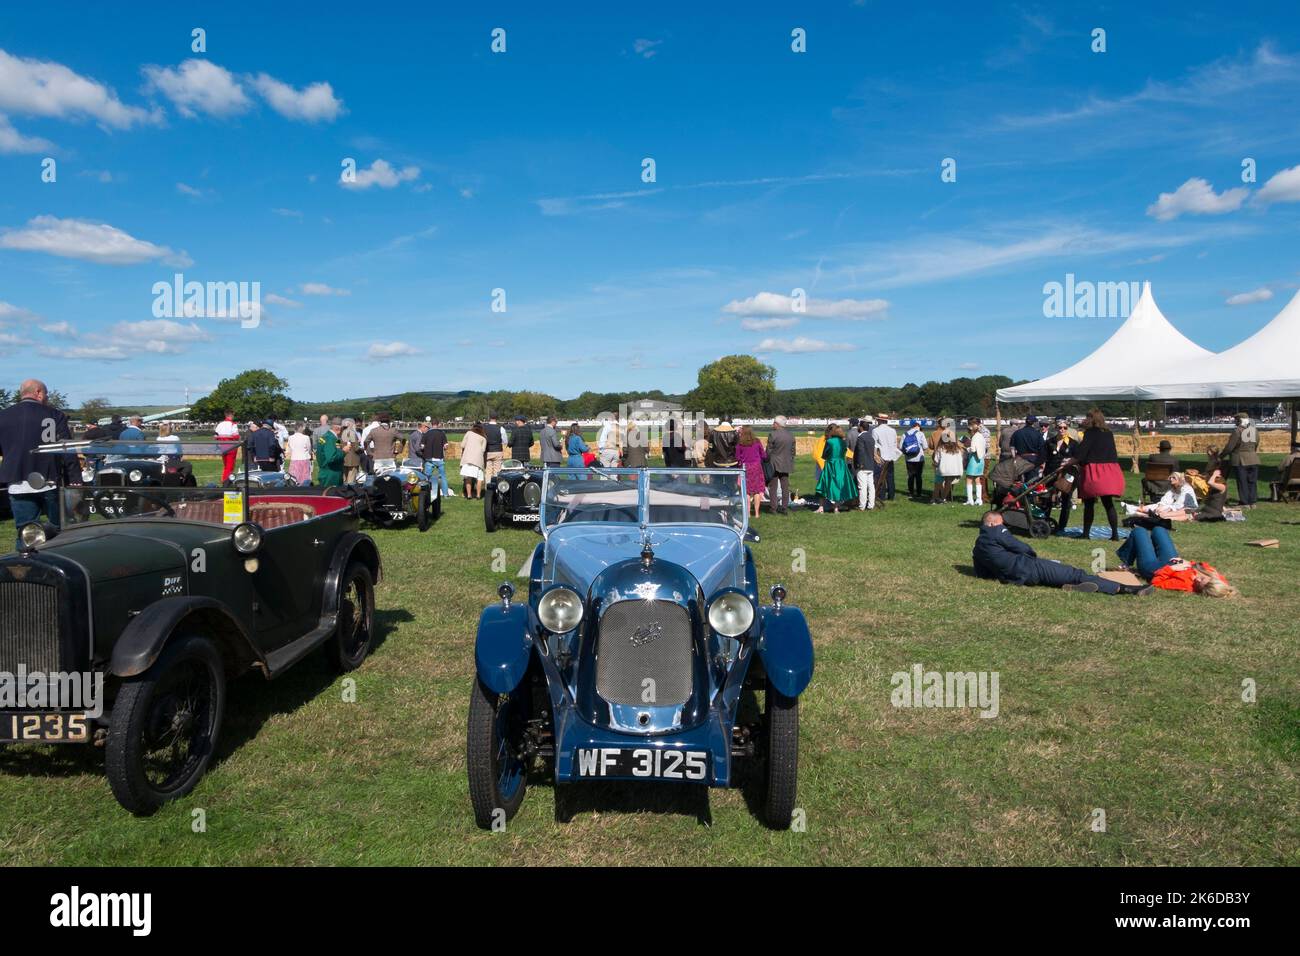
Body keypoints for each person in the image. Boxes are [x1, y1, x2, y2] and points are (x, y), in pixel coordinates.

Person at [972, 512, 1150, 595]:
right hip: (1030, 567)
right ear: (993, 523)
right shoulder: (996, 531)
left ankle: (1071, 587)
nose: (1004, 526)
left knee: (1058, 573)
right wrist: (1031, 554)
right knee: (1075, 573)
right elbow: (1020, 547)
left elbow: (982, 573)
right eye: (1001, 523)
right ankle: (1127, 589)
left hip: (1018, 577)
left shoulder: (977, 549)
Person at [0, 379, 73, 548]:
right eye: (46, 394)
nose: (46, 398)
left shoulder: (3, 416)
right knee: (58, 529)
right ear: (38, 392)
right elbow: (66, 449)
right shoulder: (55, 415)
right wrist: (74, 476)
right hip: (49, 479)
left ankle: (24, 566)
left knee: (25, 531)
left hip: (17, 479)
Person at [1117, 525, 1236, 596]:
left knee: (1139, 532)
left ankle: (1126, 562)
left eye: (1200, 584)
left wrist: (1172, 569)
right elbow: (1202, 565)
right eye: (1203, 578)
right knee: (1159, 530)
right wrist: (1188, 563)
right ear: (1213, 578)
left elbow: (1156, 582)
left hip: (1154, 569)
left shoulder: (1186, 585)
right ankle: (1138, 557)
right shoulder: (1216, 579)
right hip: (1174, 560)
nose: (1198, 579)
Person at [1068, 409, 1124, 541]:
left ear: (1092, 419)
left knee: (1089, 503)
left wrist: (1070, 462)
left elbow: (1081, 454)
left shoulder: (1090, 433)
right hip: (1110, 470)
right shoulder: (1108, 433)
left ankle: (1086, 534)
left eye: (1088, 417)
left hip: (1094, 470)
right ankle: (1115, 535)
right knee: (1108, 503)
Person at [1043, 420, 1079, 531]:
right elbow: (1045, 457)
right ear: (1056, 428)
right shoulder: (1050, 442)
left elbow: (1077, 459)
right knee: (1047, 499)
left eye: (1065, 427)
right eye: (1060, 427)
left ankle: (1062, 525)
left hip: (1066, 474)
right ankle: (1045, 522)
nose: (1062, 430)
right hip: (1050, 473)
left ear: (1068, 428)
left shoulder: (1073, 443)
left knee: (1066, 500)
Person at [1219, 413, 1260, 508]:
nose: (1235, 422)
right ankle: (1252, 502)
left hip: (1240, 459)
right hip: (1253, 458)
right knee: (1252, 481)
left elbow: (1230, 447)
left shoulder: (1237, 431)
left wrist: (1221, 456)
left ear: (1239, 420)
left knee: (1242, 482)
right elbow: (1256, 444)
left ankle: (1244, 502)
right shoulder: (1255, 431)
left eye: (1236, 420)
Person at [814, 424, 854, 513]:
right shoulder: (843, 442)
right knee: (837, 485)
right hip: (840, 465)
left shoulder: (829, 442)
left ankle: (821, 507)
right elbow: (845, 452)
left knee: (823, 485)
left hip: (830, 464)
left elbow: (824, 455)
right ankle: (836, 508)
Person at [734, 426, 768, 517]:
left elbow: (737, 457)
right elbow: (763, 455)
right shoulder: (757, 441)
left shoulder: (740, 443)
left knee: (747, 491)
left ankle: (748, 513)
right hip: (756, 467)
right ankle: (756, 513)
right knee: (757, 491)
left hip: (745, 467)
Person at [766, 415, 795, 514]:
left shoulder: (772, 434)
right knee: (785, 487)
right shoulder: (790, 435)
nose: (772, 425)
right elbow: (793, 451)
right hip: (786, 463)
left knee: (773, 487)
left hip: (774, 463)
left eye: (774, 423)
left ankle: (773, 507)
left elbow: (768, 451)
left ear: (777, 424)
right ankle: (784, 507)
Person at [1195, 453, 1230, 522]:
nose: (1209, 477)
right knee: (1188, 512)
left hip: (1214, 513)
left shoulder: (1222, 486)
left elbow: (1210, 482)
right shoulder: (1213, 487)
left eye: (1210, 476)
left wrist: (1214, 474)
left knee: (1192, 516)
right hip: (1207, 509)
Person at [872, 413, 899, 501]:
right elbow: (895, 444)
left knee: (881, 478)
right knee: (890, 477)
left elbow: (874, 445)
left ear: (879, 420)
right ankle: (891, 495)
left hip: (881, 457)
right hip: (890, 457)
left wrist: (875, 456)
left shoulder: (876, 430)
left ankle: (882, 495)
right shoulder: (892, 430)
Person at [421, 419, 452, 496]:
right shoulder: (442, 433)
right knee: (443, 477)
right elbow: (446, 446)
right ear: (438, 424)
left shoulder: (426, 433)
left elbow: (422, 446)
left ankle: (427, 493)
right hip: (439, 458)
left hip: (429, 458)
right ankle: (445, 494)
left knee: (427, 477)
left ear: (431, 424)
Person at [852, 418, 877, 511]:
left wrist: (860, 464)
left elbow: (861, 451)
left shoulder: (860, 437)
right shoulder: (871, 437)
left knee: (862, 487)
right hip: (870, 465)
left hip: (863, 466)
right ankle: (871, 505)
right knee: (871, 486)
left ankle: (862, 506)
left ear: (861, 427)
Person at [901, 420, 929, 499]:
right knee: (918, 476)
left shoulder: (905, 434)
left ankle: (911, 493)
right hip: (919, 458)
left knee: (910, 476)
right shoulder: (920, 434)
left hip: (909, 459)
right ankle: (919, 494)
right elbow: (925, 447)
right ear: (918, 426)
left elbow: (901, 447)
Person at [933, 434, 964, 504]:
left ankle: (934, 499)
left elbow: (936, 460)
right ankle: (943, 498)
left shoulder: (941, 448)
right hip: (954, 470)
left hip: (943, 470)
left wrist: (935, 465)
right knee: (948, 484)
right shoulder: (957, 449)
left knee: (937, 484)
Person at [460, 422, 488, 498]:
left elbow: (462, 445)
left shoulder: (468, 433)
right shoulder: (484, 437)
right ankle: (478, 495)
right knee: (479, 478)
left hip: (467, 458)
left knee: (468, 477)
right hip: (478, 460)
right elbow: (483, 450)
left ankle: (469, 495)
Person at [316, 419, 345, 487]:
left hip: (326, 471)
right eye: (344, 428)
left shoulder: (328, 437)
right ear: (338, 428)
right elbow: (331, 457)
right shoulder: (330, 438)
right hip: (331, 475)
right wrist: (344, 452)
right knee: (331, 495)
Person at [964, 422, 987, 506]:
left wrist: (966, 448)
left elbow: (973, 449)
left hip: (974, 459)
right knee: (977, 479)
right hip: (980, 460)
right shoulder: (981, 436)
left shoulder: (974, 437)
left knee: (969, 479)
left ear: (971, 430)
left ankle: (970, 500)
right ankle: (979, 499)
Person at [215, 409, 241, 483]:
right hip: (231, 446)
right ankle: (226, 481)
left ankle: (225, 479)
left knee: (226, 465)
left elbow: (215, 435)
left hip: (222, 446)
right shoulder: (233, 424)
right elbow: (236, 436)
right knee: (230, 466)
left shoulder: (220, 424)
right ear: (231, 415)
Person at [340, 418, 361, 483]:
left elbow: (337, 445)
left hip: (343, 458)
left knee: (344, 480)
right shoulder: (353, 433)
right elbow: (356, 448)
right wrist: (361, 449)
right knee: (351, 481)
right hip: (353, 460)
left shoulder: (339, 434)